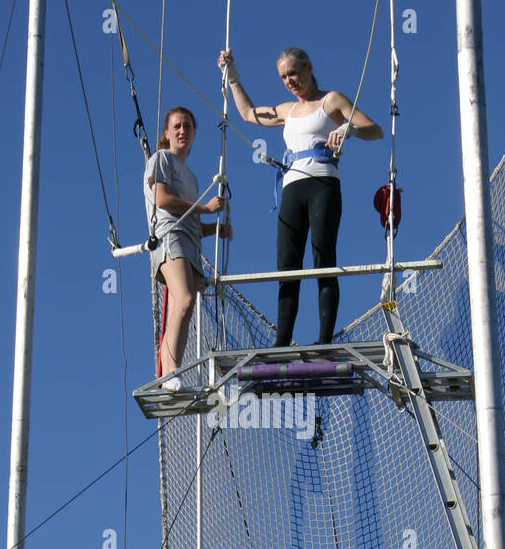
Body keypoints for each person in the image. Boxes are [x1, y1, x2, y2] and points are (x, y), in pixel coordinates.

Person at [218, 46, 382, 346]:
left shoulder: (330, 100)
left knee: (324, 258)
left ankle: (323, 339)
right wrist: (233, 78)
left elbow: (374, 129)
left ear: (308, 67)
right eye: (283, 77)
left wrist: (349, 130)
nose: (289, 81)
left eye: (292, 73)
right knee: (287, 264)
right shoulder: (287, 110)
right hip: (292, 187)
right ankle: (282, 341)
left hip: (322, 184)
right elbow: (246, 114)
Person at [144, 106, 229, 387]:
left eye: (188, 127)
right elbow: (162, 199)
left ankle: (171, 370)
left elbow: (190, 222)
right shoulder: (161, 159)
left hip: (189, 242)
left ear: (194, 133)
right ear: (166, 133)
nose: (183, 131)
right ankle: (169, 372)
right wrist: (204, 207)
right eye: (177, 126)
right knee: (183, 300)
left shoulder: (191, 177)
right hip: (170, 238)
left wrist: (214, 228)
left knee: (186, 305)